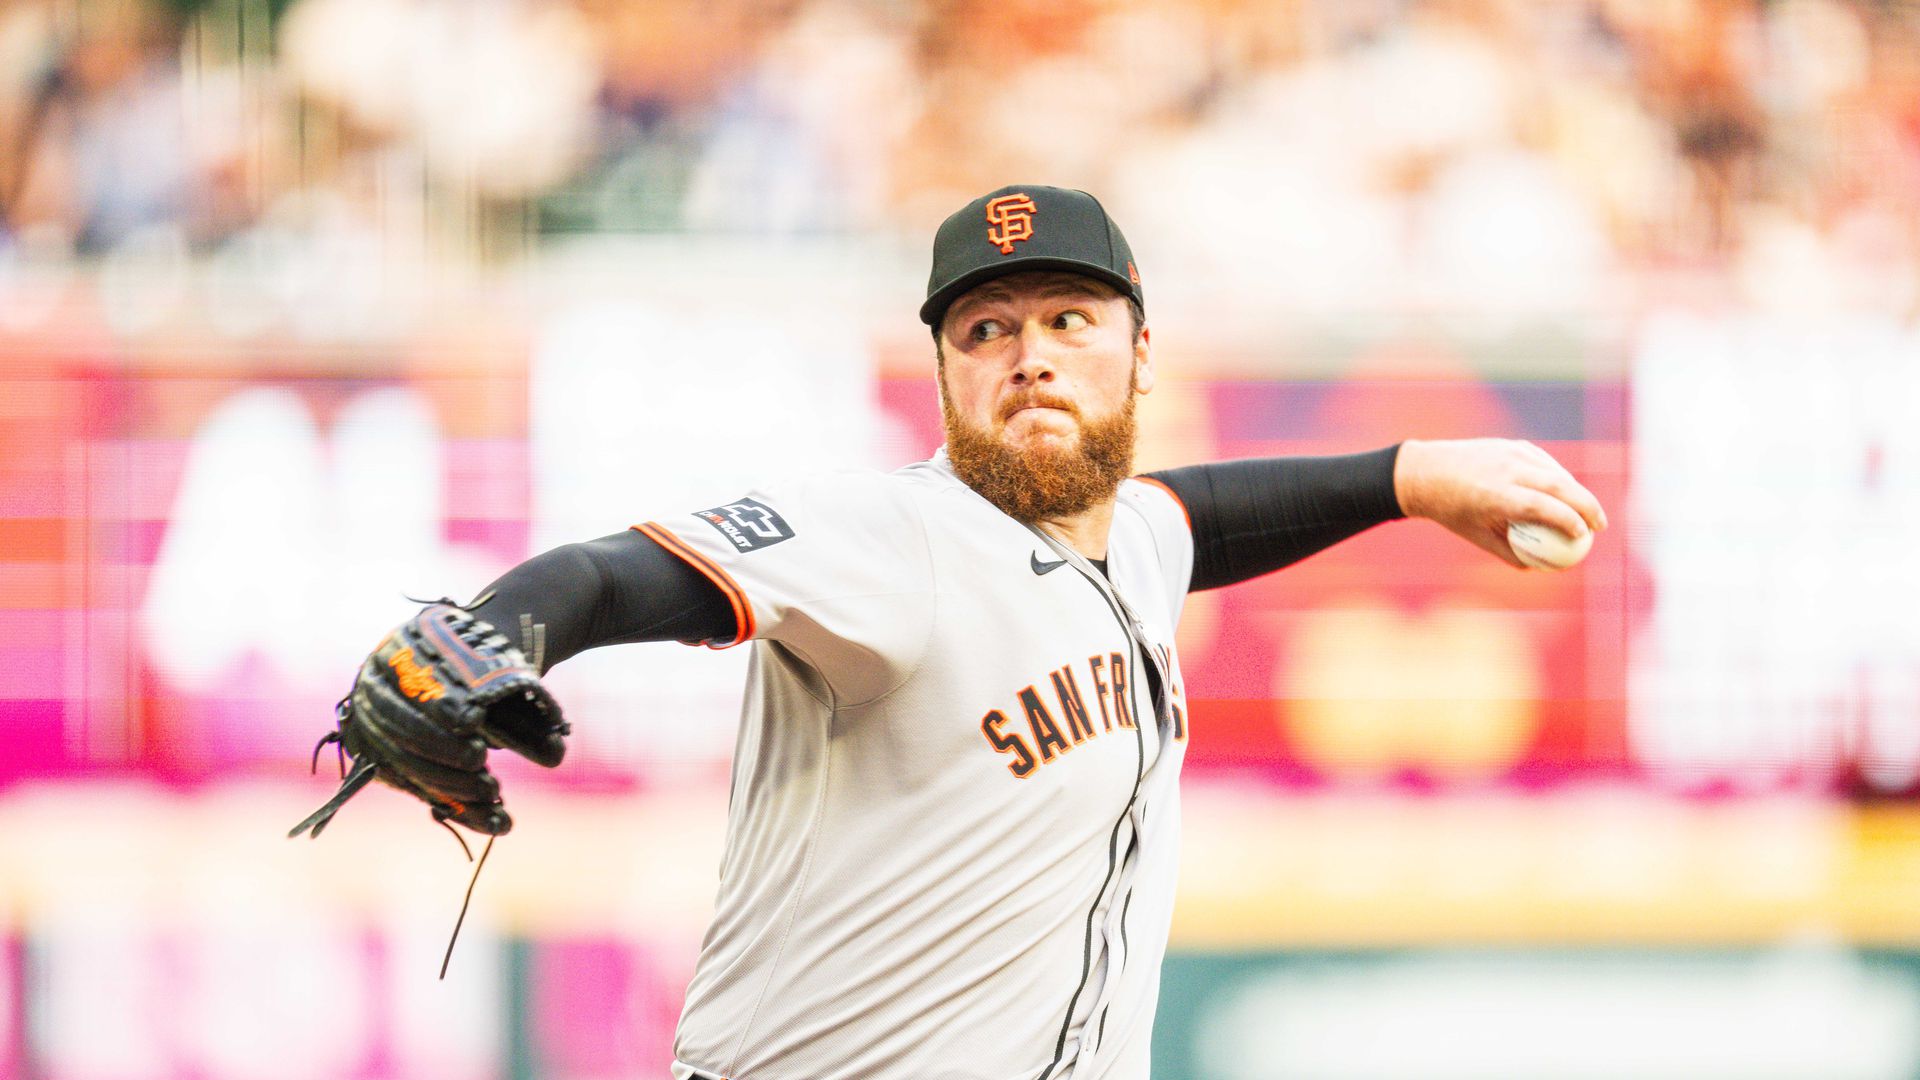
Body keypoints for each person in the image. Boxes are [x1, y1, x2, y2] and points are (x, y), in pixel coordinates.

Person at [312, 185, 1606, 1079]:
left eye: (1066, 321)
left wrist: (1412, 475)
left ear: (1139, 356)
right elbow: (613, 573)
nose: (1028, 355)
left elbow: (1208, 517)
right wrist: (497, 632)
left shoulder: (1134, 541)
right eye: (987, 329)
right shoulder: (889, 536)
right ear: (944, 372)